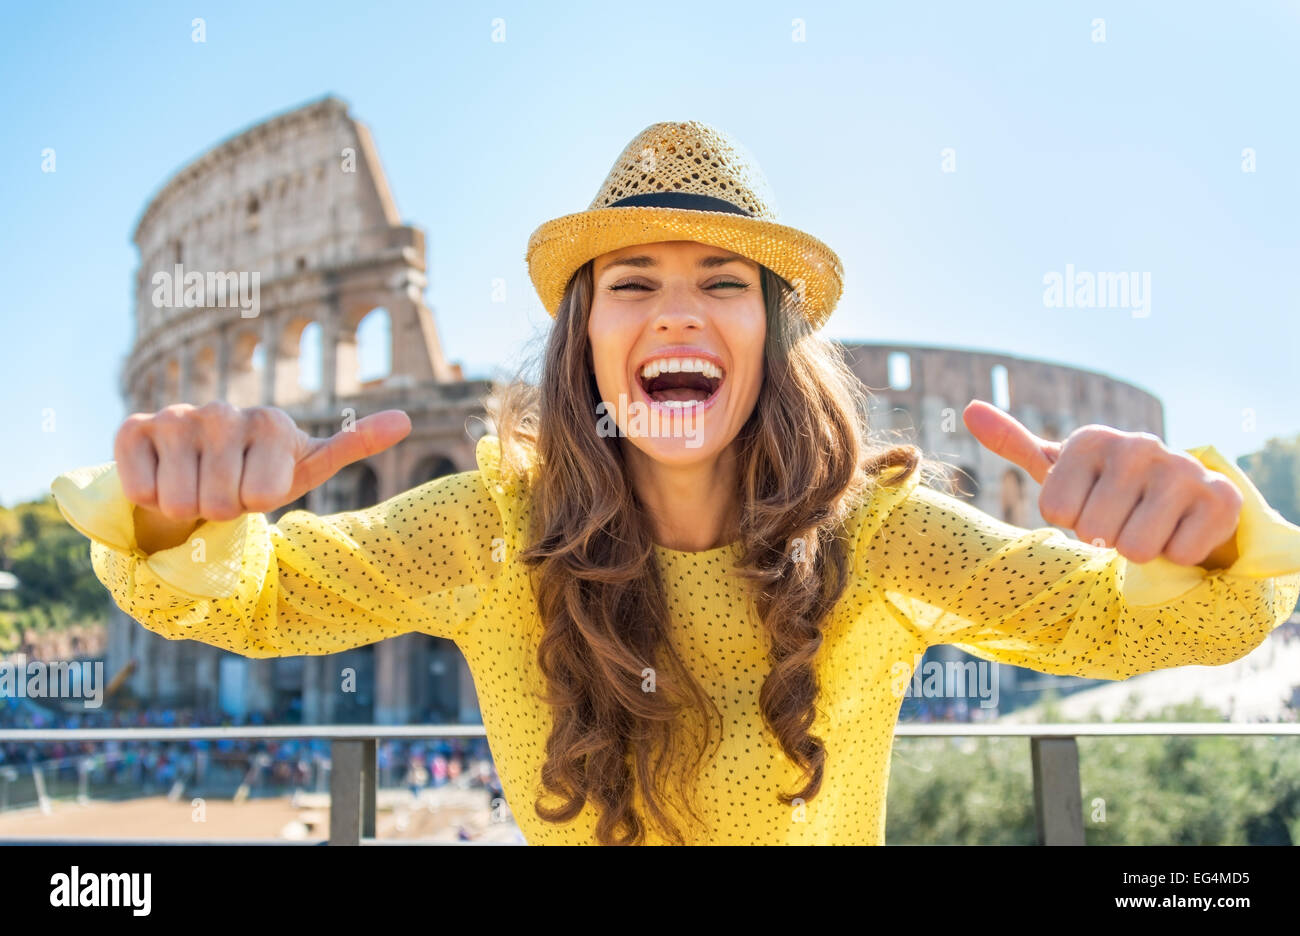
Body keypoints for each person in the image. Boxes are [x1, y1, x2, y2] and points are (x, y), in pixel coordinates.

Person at [49, 121, 1300, 845]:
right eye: (631, 283)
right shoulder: (493, 529)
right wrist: (184, 527)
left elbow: (1133, 618)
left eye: (721, 281)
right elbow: (254, 601)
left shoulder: (883, 537)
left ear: (774, 335)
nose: (674, 311)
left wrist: (1192, 539)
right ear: (583, 339)